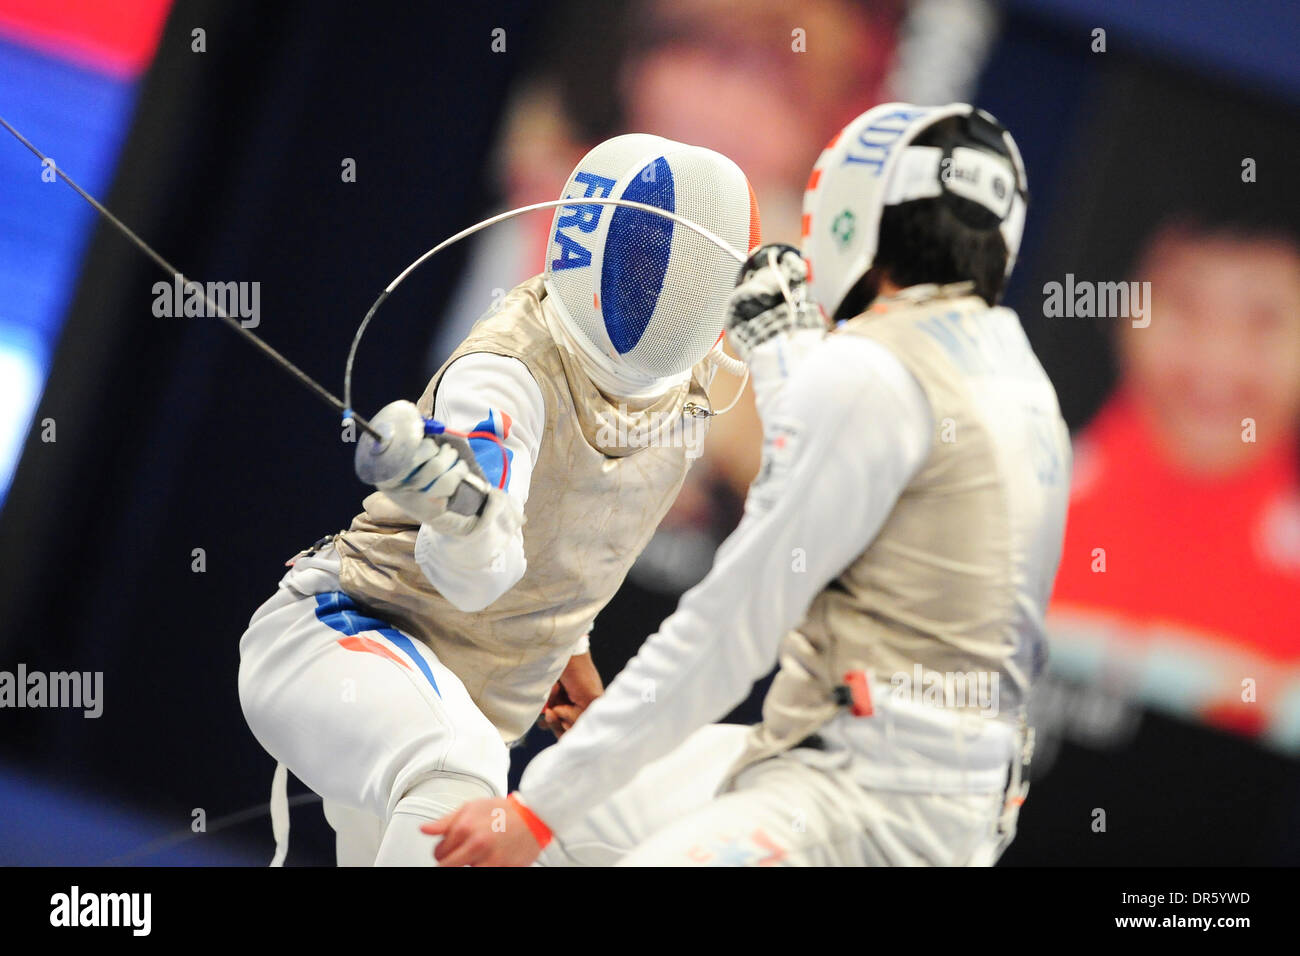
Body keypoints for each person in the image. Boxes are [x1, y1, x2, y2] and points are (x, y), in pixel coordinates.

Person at [428, 102, 1072, 867]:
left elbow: (729, 632)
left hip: (857, 803)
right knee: (592, 815)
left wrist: (532, 812)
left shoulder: (869, 377)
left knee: (554, 818)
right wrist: (788, 357)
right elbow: (881, 458)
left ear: (850, 213)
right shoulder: (1019, 381)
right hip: (934, 791)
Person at [237, 133, 760, 866]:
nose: (667, 280)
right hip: (341, 642)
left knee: (600, 828)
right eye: (645, 259)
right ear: (603, 259)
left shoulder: (692, 390)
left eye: (680, 267)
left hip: (458, 704)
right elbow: (471, 575)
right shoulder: (503, 373)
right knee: (460, 772)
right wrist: (465, 513)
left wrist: (561, 644)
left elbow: (572, 522)